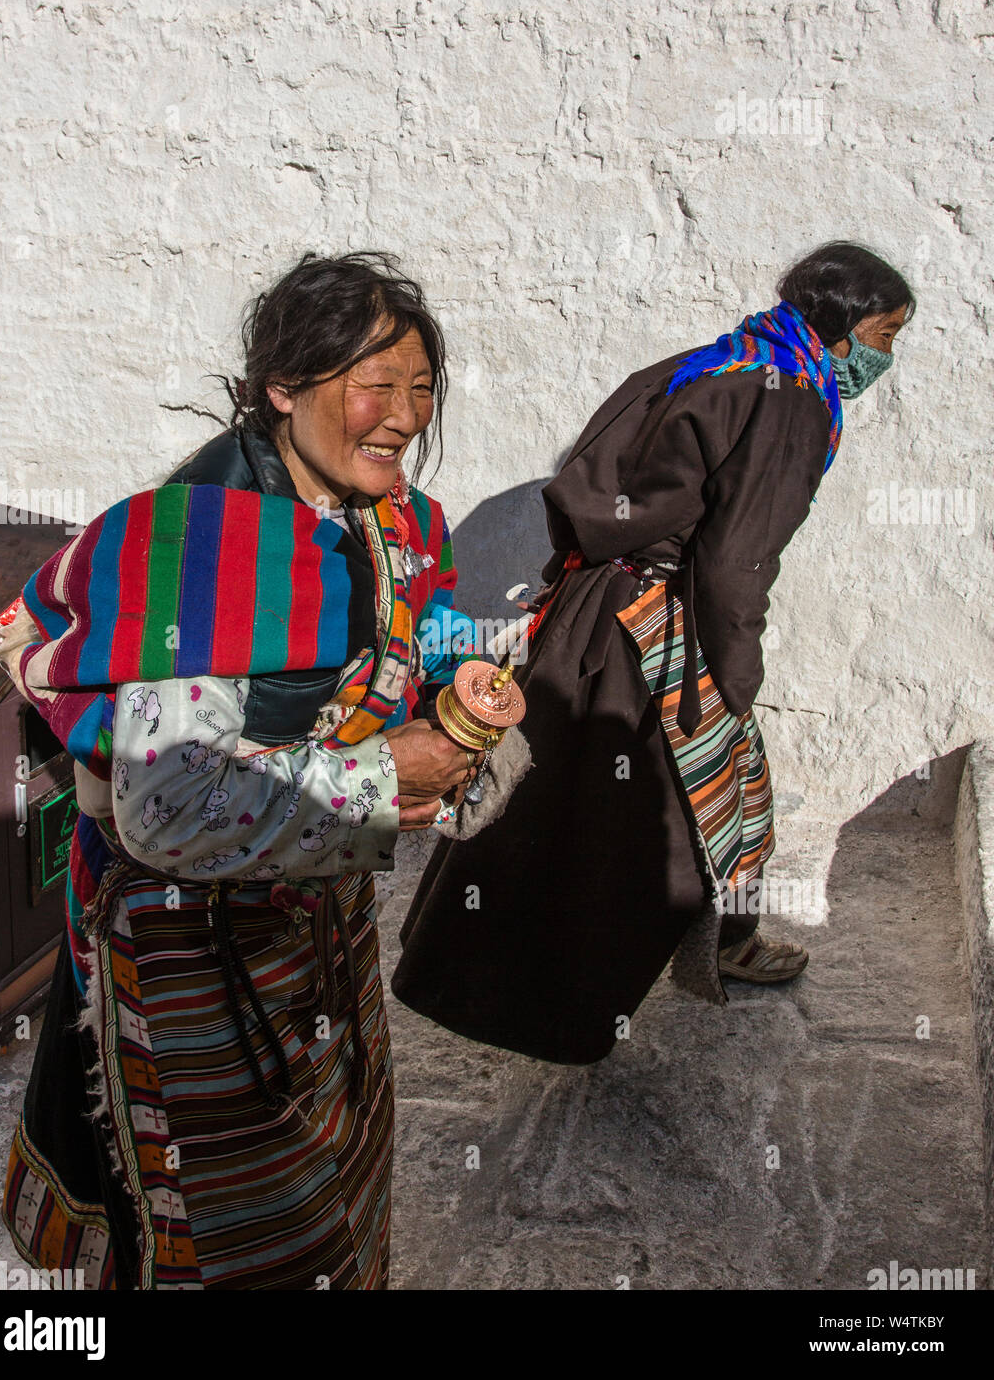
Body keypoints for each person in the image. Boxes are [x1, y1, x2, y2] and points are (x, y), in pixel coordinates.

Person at [0, 252, 480, 1289]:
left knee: (337, 1177)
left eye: (421, 387)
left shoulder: (375, 517)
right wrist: (383, 775)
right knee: (237, 1230)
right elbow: (167, 806)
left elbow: (409, 645)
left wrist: (466, 706)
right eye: (373, 386)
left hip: (315, 923)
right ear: (283, 389)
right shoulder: (206, 548)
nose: (402, 414)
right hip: (193, 951)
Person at [392, 241, 914, 1065]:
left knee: (545, 804)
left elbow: (582, 483)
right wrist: (733, 678)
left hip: (592, 612)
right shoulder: (795, 401)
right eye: (885, 335)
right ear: (842, 331)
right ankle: (581, 1002)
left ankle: (459, 976)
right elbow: (738, 566)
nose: (885, 356)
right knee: (683, 818)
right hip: (663, 631)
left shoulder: (711, 363)